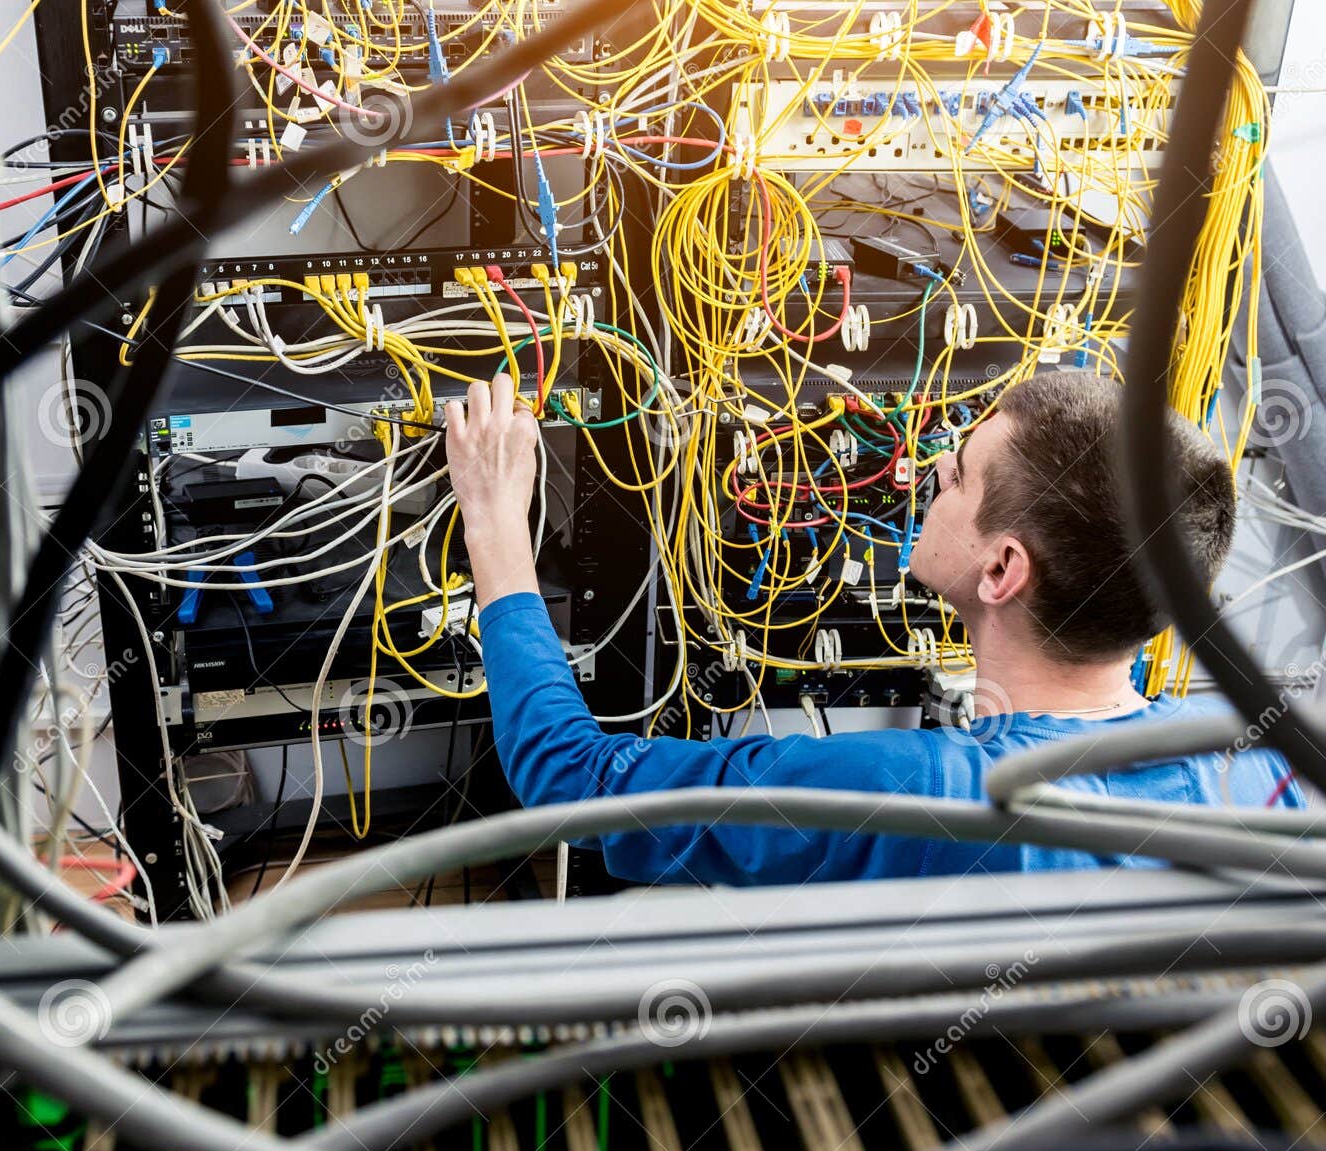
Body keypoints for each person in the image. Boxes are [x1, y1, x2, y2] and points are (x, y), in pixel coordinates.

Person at [443, 368, 1299, 885]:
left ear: (1002, 570)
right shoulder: (1264, 766)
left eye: (958, 475)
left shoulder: (924, 793)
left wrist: (495, 524)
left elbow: (572, 780)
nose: (930, 467)